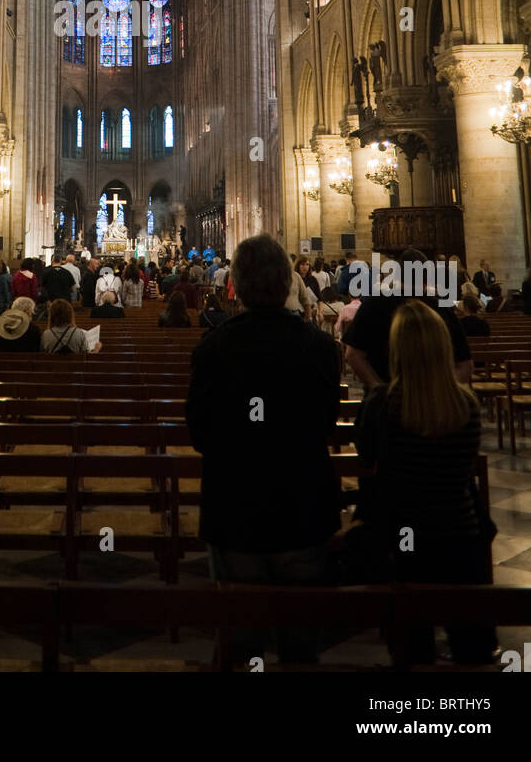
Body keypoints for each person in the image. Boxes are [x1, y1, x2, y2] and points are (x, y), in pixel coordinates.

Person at [186, 236, 341, 664]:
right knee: (302, 644)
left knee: (238, 640)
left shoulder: (214, 347)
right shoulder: (321, 347)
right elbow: (327, 424)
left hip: (234, 509)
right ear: (288, 283)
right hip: (304, 507)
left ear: (235, 283)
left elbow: (199, 433)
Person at [353, 300, 497, 665]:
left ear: (396, 349)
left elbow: (368, 458)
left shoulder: (382, 404)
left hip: (404, 538)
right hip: (460, 537)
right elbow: (461, 467)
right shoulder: (465, 404)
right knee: (473, 649)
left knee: (412, 651)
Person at [343, 247, 472, 387]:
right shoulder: (442, 309)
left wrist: (378, 388)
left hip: (386, 399)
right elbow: (465, 365)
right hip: (433, 401)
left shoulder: (374, 304)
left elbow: (353, 355)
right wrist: (441, 392)